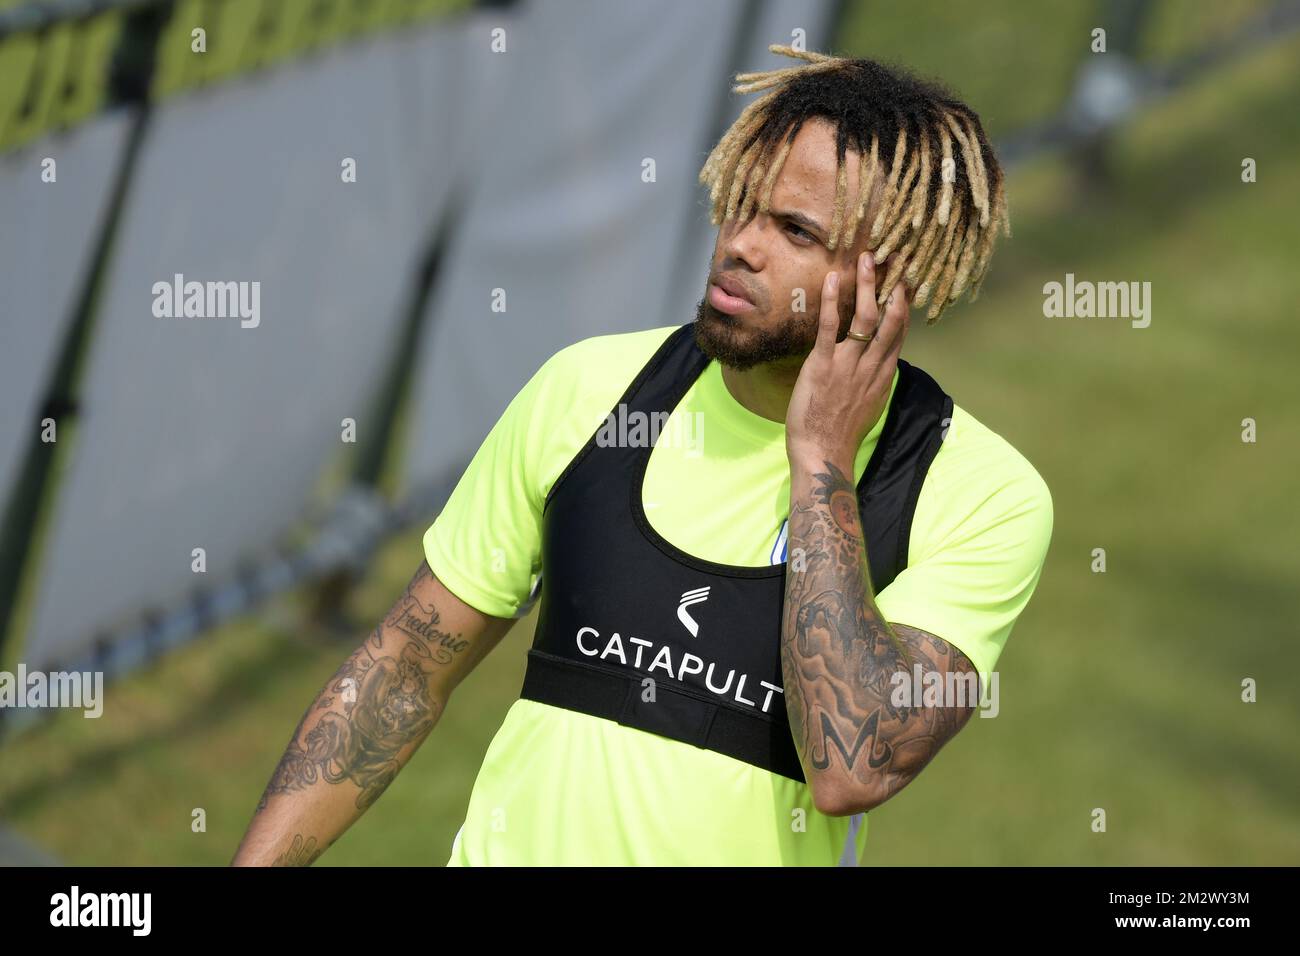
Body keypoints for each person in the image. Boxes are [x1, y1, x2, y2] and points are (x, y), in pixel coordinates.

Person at [232, 45, 1052, 867]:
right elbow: (403, 673)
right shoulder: (589, 390)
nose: (741, 245)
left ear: (891, 280)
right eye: (742, 206)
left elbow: (853, 761)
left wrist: (823, 461)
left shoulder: (981, 494)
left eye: (796, 231)